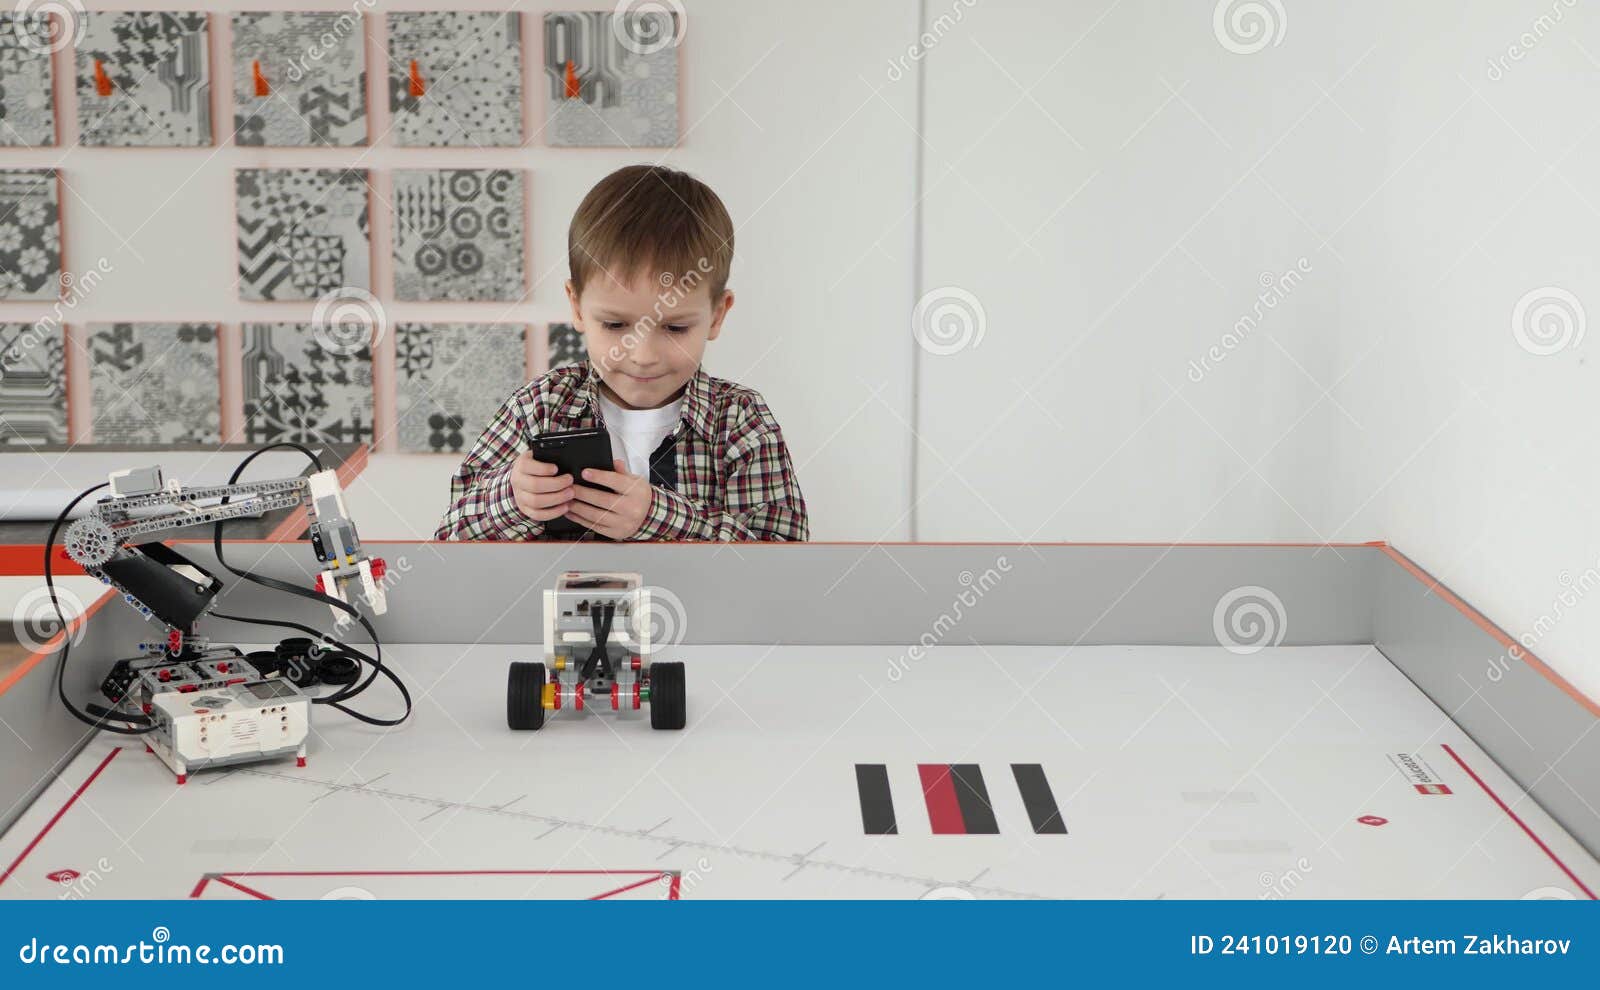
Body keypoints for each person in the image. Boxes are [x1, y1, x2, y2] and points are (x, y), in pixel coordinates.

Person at [435, 164, 809, 542]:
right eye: (615, 325)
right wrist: (513, 498)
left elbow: (783, 558)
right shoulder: (540, 407)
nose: (643, 354)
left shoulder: (739, 419)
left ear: (717, 315)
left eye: (674, 327)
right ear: (578, 308)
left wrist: (657, 518)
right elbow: (448, 540)